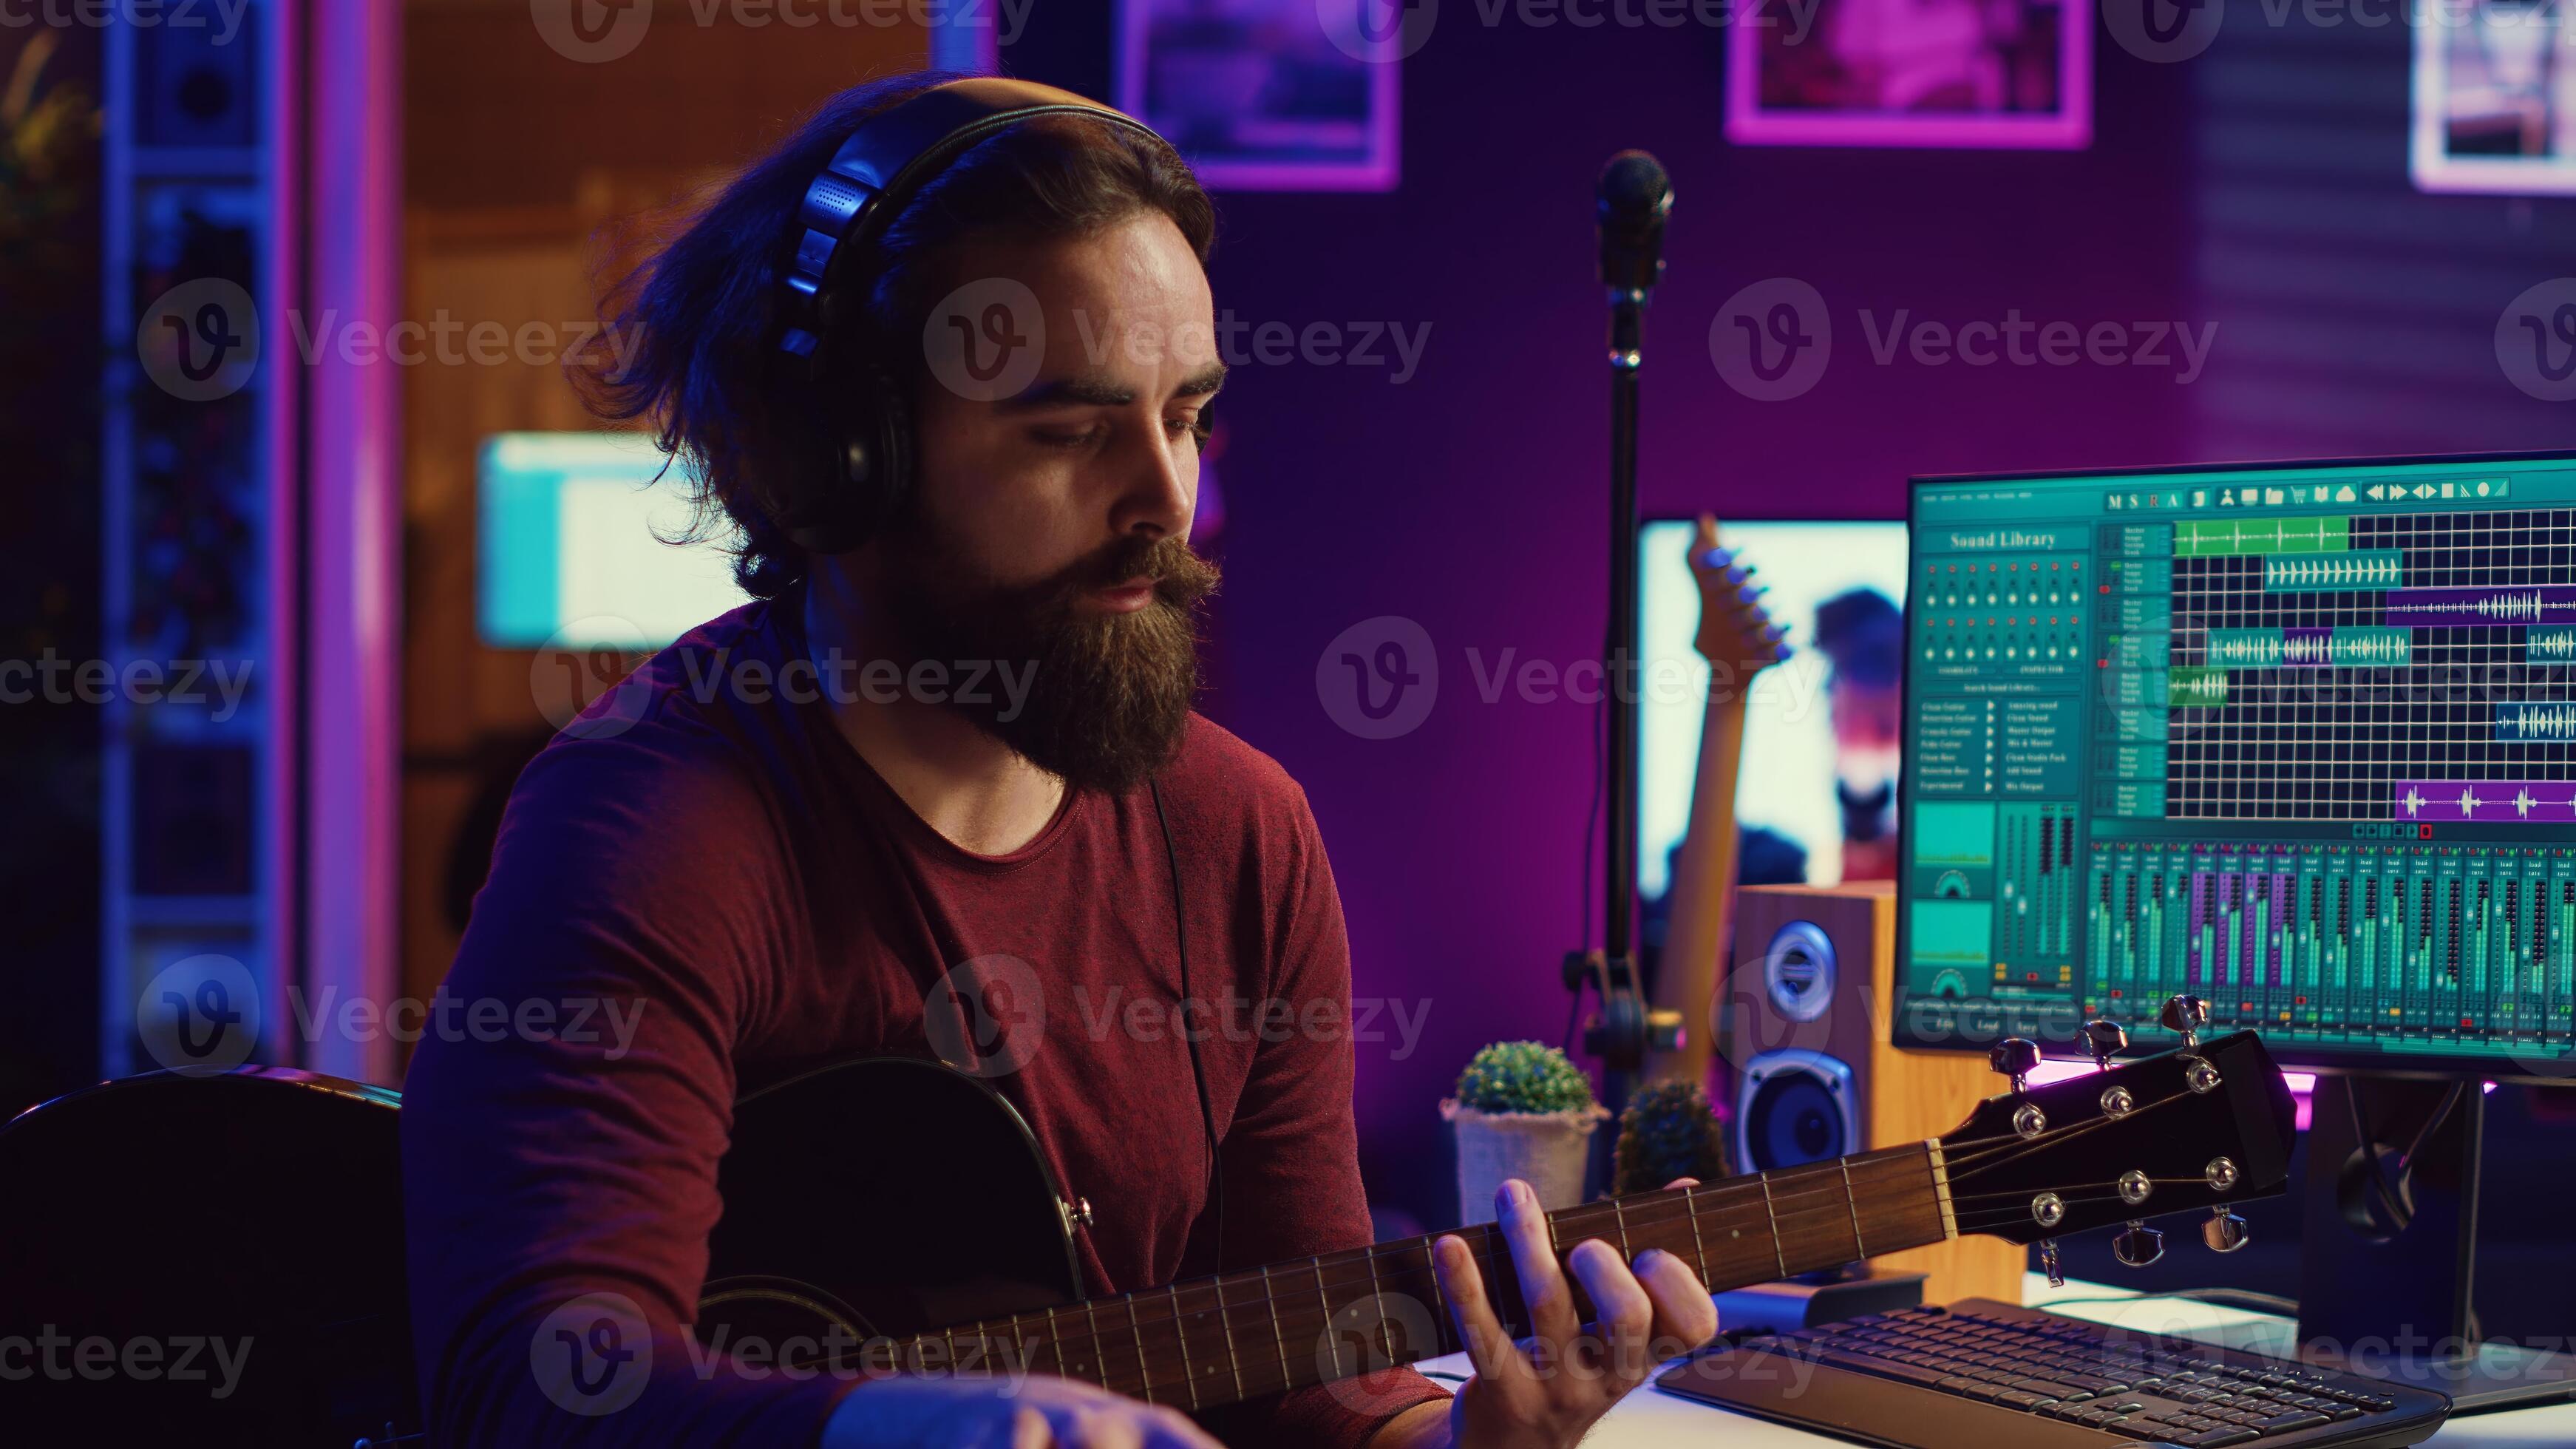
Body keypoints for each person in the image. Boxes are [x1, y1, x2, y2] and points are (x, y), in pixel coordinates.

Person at [399, 72, 1716, 1449]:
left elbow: (1307, 1392)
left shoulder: (1239, 834)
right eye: (1070, 432)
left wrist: (1467, 1442)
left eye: (1187, 416)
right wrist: (918, 1430)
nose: (1167, 500)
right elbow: (528, 1390)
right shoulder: (654, 826)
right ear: (840, 457)